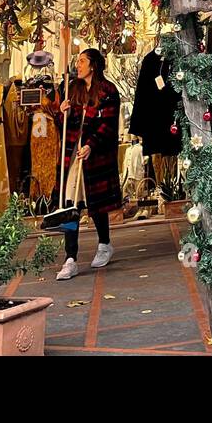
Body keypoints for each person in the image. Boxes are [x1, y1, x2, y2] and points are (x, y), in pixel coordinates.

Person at [55, 48, 124, 280]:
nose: (78, 65)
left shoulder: (108, 91)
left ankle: (104, 243)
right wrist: (61, 113)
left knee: (96, 204)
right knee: (70, 205)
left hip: (96, 154)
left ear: (93, 65)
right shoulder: (71, 88)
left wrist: (91, 144)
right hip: (73, 155)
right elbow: (65, 126)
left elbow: (108, 125)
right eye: (77, 61)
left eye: (82, 61)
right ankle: (70, 257)